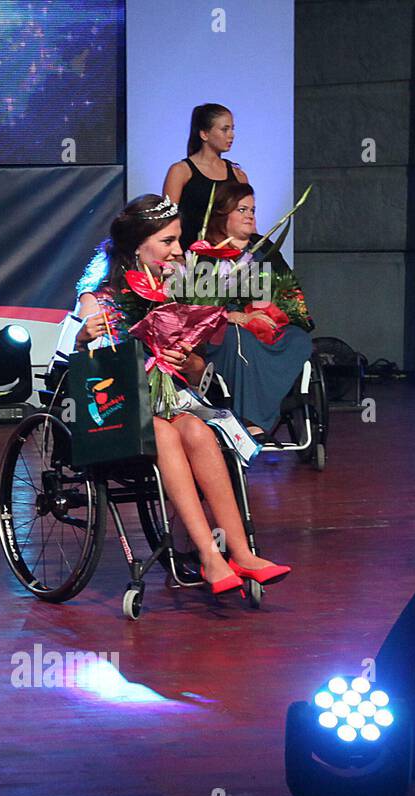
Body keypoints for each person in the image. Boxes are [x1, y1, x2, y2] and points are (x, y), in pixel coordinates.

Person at [73, 194, 290, 596]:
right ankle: (208, 555)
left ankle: (240, 551)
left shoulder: (178, 292)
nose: (178, 251)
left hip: (168, 404)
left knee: (197, 431)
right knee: (168, 434)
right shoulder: (100, 297)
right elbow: (83, 366)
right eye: (167, 242)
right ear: (138, 245)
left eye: (178, 241)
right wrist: (85, 336)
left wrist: (184, 358)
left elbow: (196, 372)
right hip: (114, 411)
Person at [199, 182, 313, 436]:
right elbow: (194, 307)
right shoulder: (206, 254)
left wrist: (274, 314)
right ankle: (250, 419)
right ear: (222, 214)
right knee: (239, 340)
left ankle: (263, 408)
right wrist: (231, 315)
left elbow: (288, 291)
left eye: (252, 209)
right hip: (225, 328)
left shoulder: (265, 250)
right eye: (241, 210)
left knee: (299, 341)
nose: (250, 215)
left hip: (266, 325)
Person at [162, 104, 250, 245]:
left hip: (229, 258)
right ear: (204, 134)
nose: (231, 135)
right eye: (224, 129)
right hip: (190, 257)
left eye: (232, 129)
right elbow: (167, 221)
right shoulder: (180, 171)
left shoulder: (239, 175)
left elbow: (247, 219)